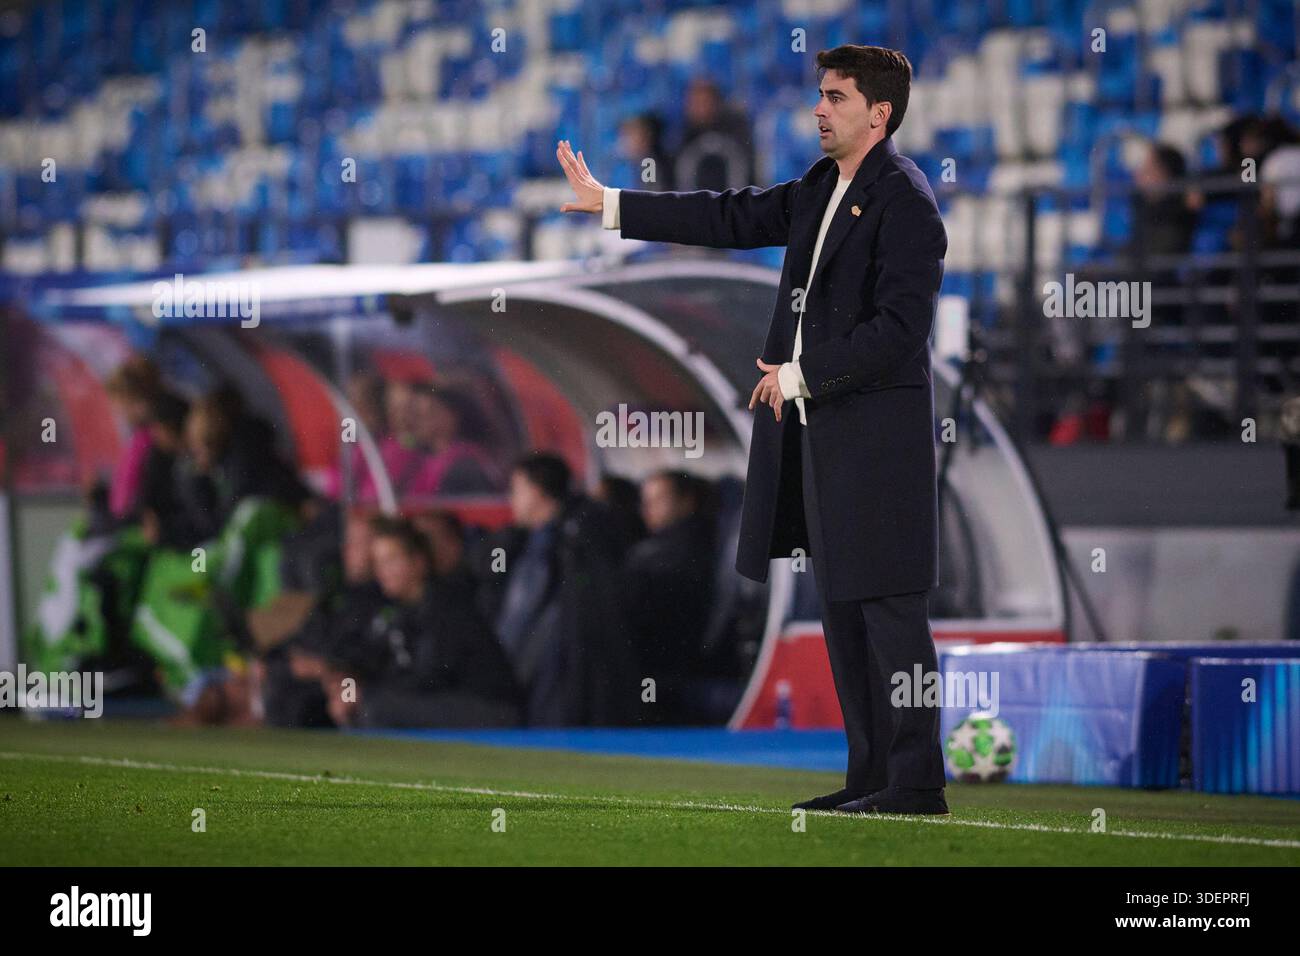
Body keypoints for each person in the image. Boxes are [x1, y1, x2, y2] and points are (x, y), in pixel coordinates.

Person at [558, 44, 949, 814]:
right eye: (820, 94)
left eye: (835, 97)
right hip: (823, 439)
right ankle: (873, 778)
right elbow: (730, 214)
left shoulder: (906, 202)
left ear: (879, 113)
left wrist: (799, 375)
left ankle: (917, 784)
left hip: (877, 446)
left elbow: (901, 329)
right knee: (843, 610)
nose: (818, 108)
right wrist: (612, 203)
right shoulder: (819, 187)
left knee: (892, 615)